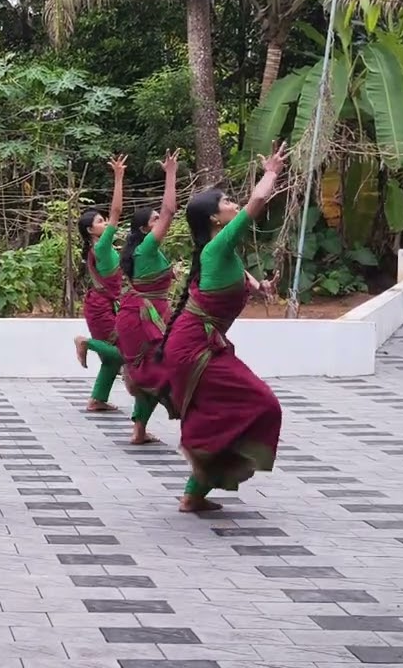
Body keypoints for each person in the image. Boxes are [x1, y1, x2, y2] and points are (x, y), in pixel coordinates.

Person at [155, 143, 287, 513]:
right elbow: (257, 202)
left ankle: (194, 494)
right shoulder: (218, 246)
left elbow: (240, 280)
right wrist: (271, 171)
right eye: (226, 201)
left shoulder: (220, 251)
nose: (232, 203)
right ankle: (196, 473)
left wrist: (262, 287)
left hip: (202, 344)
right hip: (194, 347)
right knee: (259, 403)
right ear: (215, 219)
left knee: (231, 409)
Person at [114, 150, 181, 445]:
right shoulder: (148, 248)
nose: (160, 220)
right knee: (159, 372)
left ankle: (139, 431)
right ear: (145, 229)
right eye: (154, 219)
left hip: (145, 314)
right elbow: (170, 211)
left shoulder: (147, 252)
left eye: (157, 218)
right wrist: (171, 174)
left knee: (150, 373)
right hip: (144, 318)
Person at [73, 155, 127, 412]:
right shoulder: (103, 246)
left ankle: (97, 400)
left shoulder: (99, 247)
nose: (105, 223)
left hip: (101, 304)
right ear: (90, 231)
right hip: (100, 307)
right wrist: (118, 177)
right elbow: (117, 212)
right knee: (123, 352)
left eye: (103, 220)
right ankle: (85, 342)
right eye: (99, 222)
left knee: (111, 358)